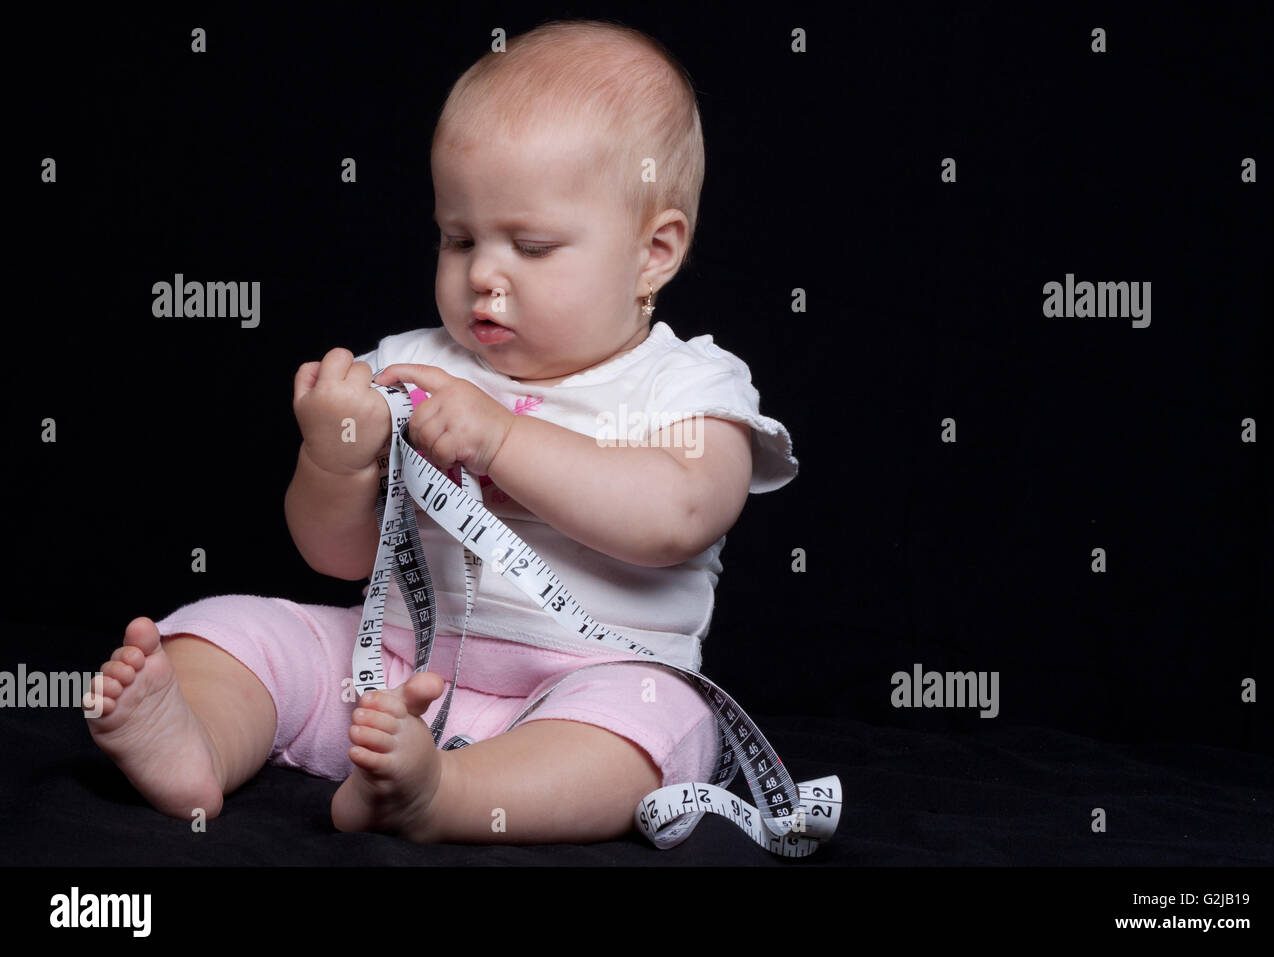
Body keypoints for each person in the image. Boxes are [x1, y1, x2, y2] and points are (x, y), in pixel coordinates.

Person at [84, 18, 797, 845]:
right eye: (458, 238)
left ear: (654, 253)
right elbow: (339, 557)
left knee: (660, 726)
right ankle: (194, 735)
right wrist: (336, 458)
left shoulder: (689, 383)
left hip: (591, 683)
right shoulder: (418, 363)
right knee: (238, 626)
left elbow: (679, 515)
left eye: (530, 245)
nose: (482, 275)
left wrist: (500, 441)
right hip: (393, 671)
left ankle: (444, 792)